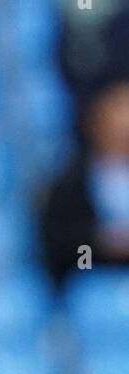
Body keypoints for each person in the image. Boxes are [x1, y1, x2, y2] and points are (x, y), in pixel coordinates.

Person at [40, 79, 129, 284]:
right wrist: (100, 245)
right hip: (96, 279)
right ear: (96, 123)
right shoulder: (70, 185)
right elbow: (70, 252)